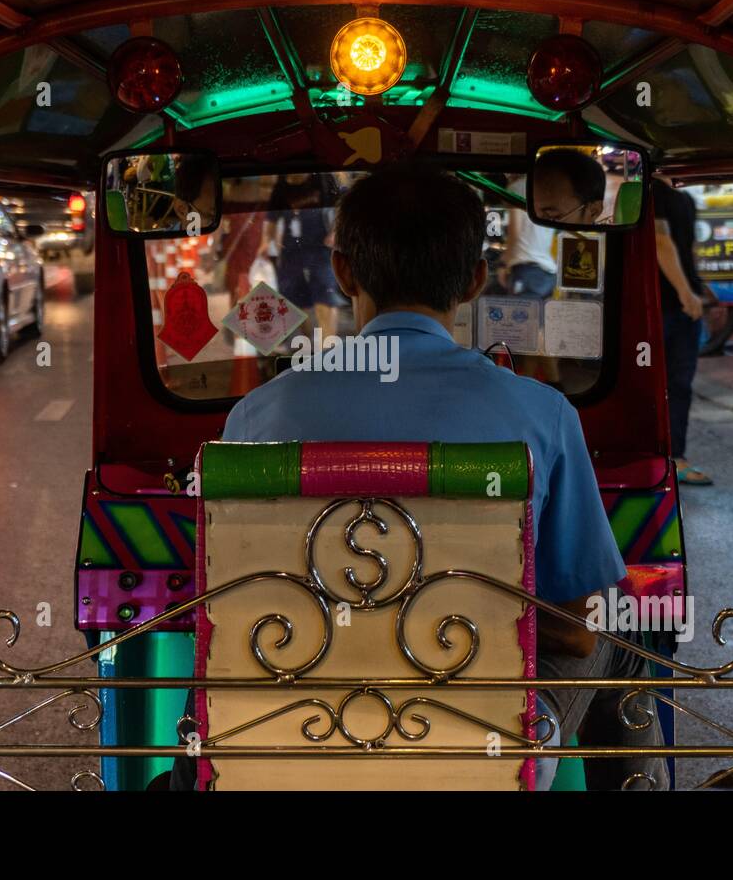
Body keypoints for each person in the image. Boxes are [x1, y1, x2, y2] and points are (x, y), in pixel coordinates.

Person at [212, 161, 668, 790]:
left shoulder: (257, 414)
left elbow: (239, 602)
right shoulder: (542, 413)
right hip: (487, 732)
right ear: (478, 280)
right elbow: (579, 631)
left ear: (343, 273)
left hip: (294, 722)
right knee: (624, 643)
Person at [651, 177, 710, 485]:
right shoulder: (651, 190)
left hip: (680, 304)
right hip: (664, 303)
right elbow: (661, 243)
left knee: (676, 383)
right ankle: (669, 458)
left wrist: (696, 286)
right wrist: (687, 292)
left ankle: (671, 457)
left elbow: (686, 248)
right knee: (671, 383)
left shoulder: (684, 198)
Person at [268, 173, 346, 336]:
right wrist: (268, 243)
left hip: (321, 248)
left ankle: (329, 350)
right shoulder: (281, 186)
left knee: (325, 298)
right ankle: (308, 345)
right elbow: (272, 219)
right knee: (296, 300)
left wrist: (335, 232)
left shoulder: (323, 179)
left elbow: (341, 205)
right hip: (292, 251)